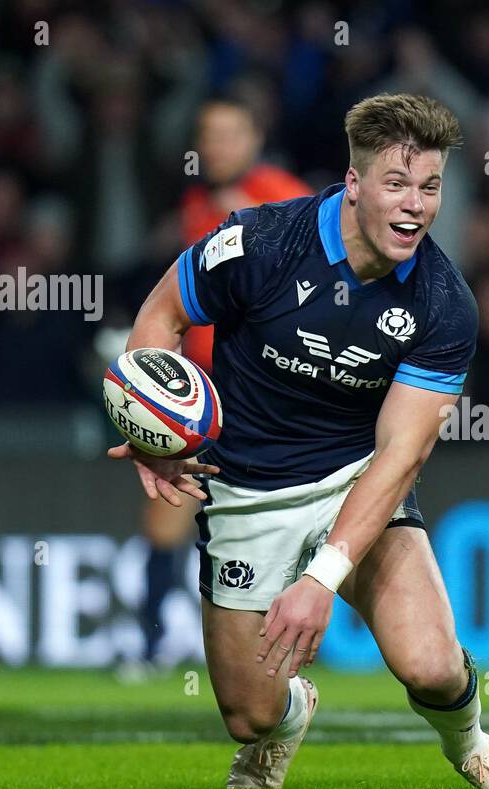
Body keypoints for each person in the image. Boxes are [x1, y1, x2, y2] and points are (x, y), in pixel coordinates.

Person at [107, 93, 489, 789]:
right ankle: (291, 716)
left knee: (433, 665)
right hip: (246, 484)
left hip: (356, 476)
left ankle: (469, 743)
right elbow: (161, 314)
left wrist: (320, 579)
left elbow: (401, 455)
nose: (415, 205)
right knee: (248, 715)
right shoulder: (261, 242)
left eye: (430, 186)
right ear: (354, 184)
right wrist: (151, 431)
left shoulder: (443, 302)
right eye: (397, 183)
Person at [128, 97, 310, 678]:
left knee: (285, 517)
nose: (217, 146)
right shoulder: (196, 203)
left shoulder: (282, 193)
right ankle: (153, 646)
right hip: (199, 395)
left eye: (231, 133)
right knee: (167, 511)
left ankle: (294, 641)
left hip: (266, 390)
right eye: (208, 134)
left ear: (256, 138)